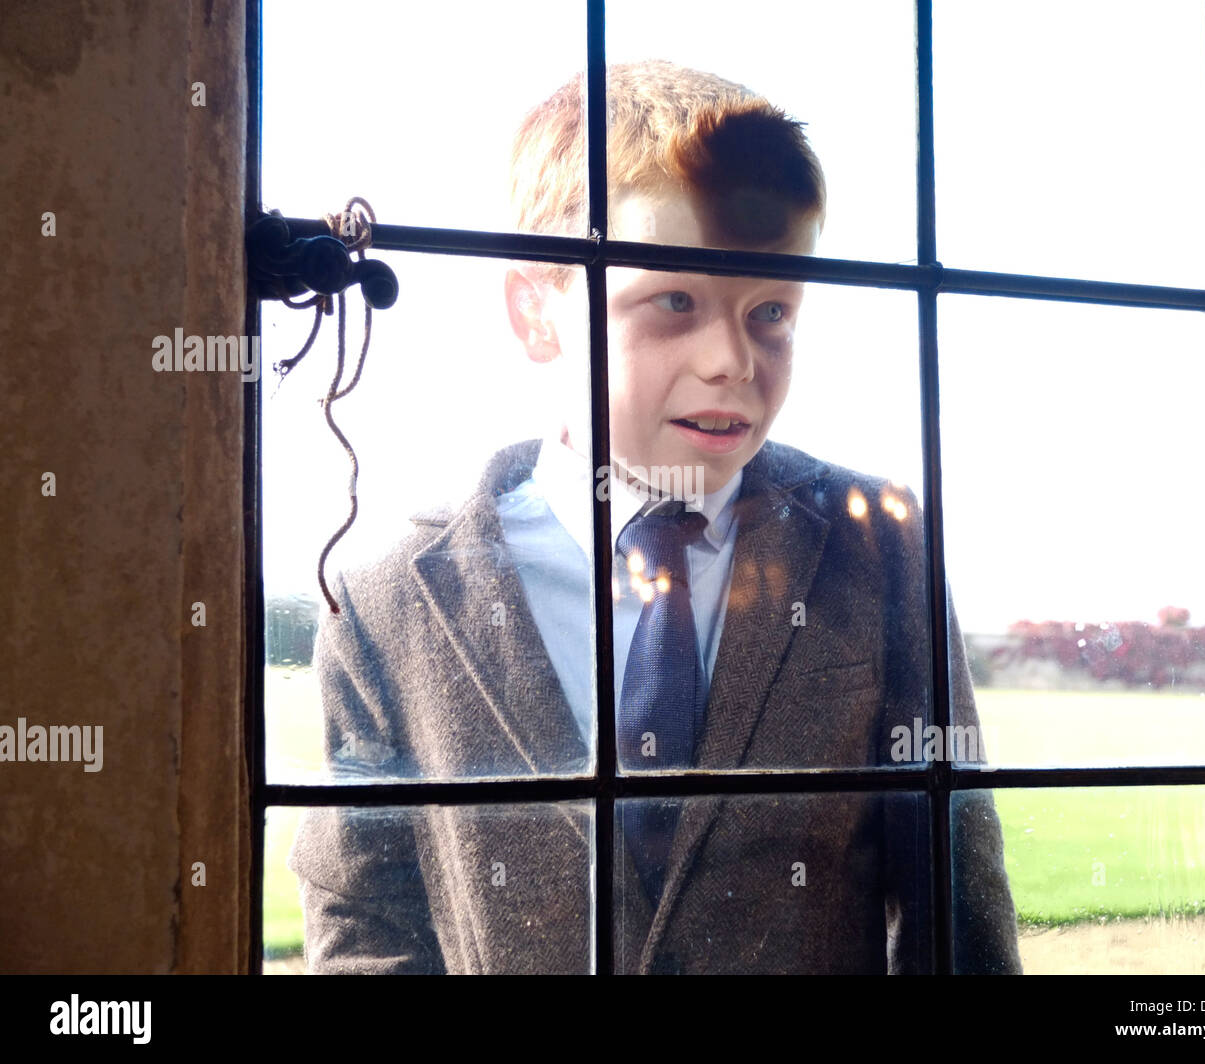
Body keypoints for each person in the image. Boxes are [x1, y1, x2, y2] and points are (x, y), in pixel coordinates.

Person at [288, 60, 1021, 974]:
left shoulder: (881, 548)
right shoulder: (385, 597)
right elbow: (366, 931)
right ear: (536, 312)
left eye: (771, 314)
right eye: (674, 300)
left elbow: (960, 920)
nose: (731, 360)